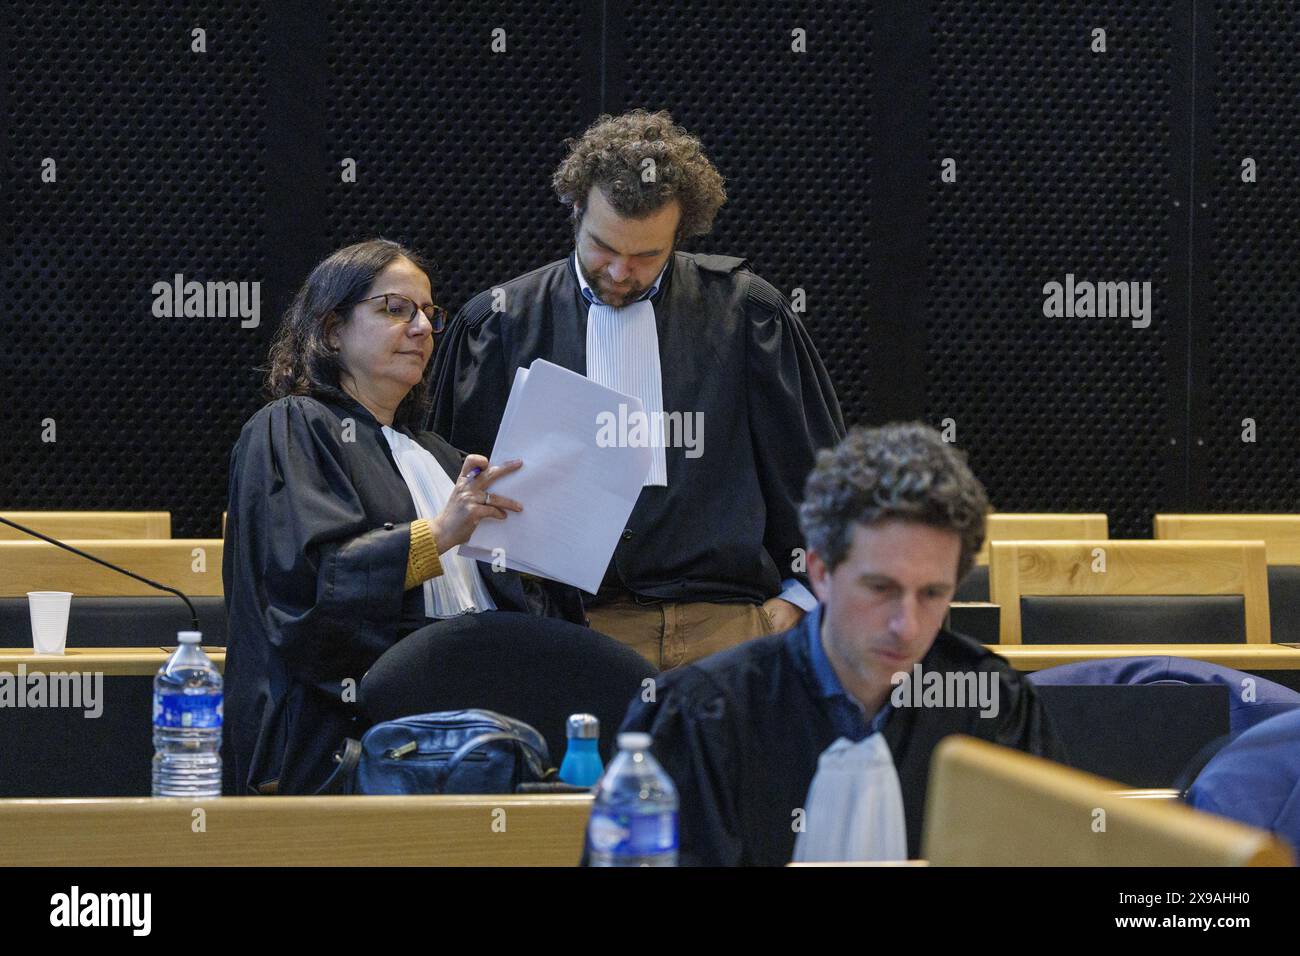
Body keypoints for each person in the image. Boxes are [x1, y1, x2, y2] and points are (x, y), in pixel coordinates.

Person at [429, 109, 845, 670]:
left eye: (648, 255)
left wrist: (796, 602)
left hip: (729, 625)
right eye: (604, 247)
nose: (622, 271)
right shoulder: (498, 324)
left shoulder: (747, 314)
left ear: (681, 233)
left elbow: (812, 472)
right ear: (576, 211)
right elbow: (452, 488)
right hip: (572, 632)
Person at [222, 239, 587, 796]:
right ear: (332, 329)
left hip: (477, 727)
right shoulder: (292, 428)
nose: (421, 328)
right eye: (395, 308)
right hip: (353, 741)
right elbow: (311, 593)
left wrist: (538, 547)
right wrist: (439, 535)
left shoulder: (440, 454)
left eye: (428, 313)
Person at [618, 423, 1066, 864]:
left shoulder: (996, 709)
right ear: (820, 572)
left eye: (932, 594)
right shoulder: (702, 717)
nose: (905, 627)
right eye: (879, 588)